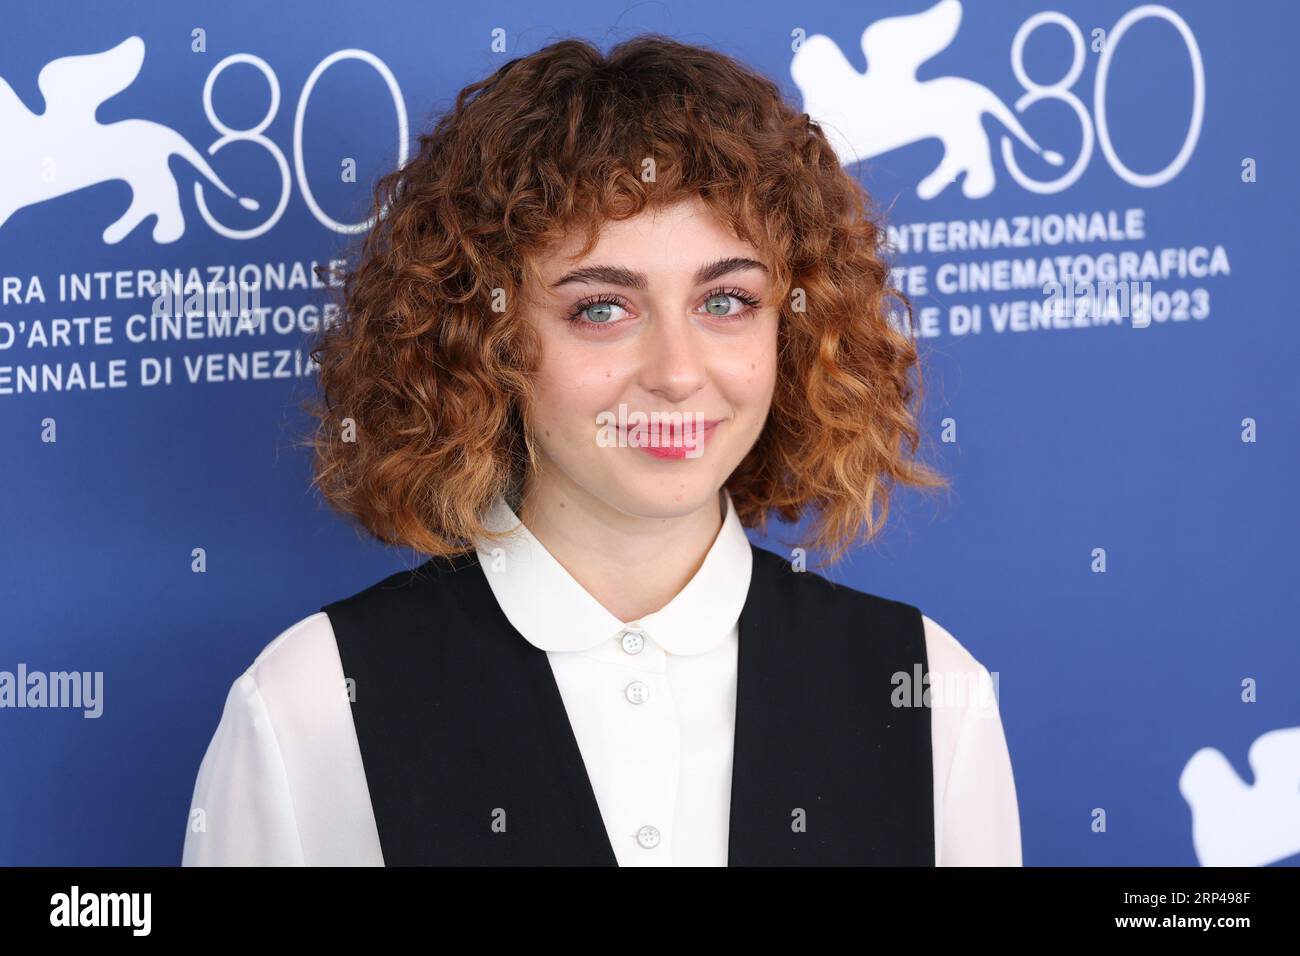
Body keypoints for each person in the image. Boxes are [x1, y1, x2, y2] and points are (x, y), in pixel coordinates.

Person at [182, 33, 1021, 867]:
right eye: (602, 309)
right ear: (485, 337)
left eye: (726, 300)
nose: (677, 373)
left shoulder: (928, 694)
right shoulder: (310, 706)